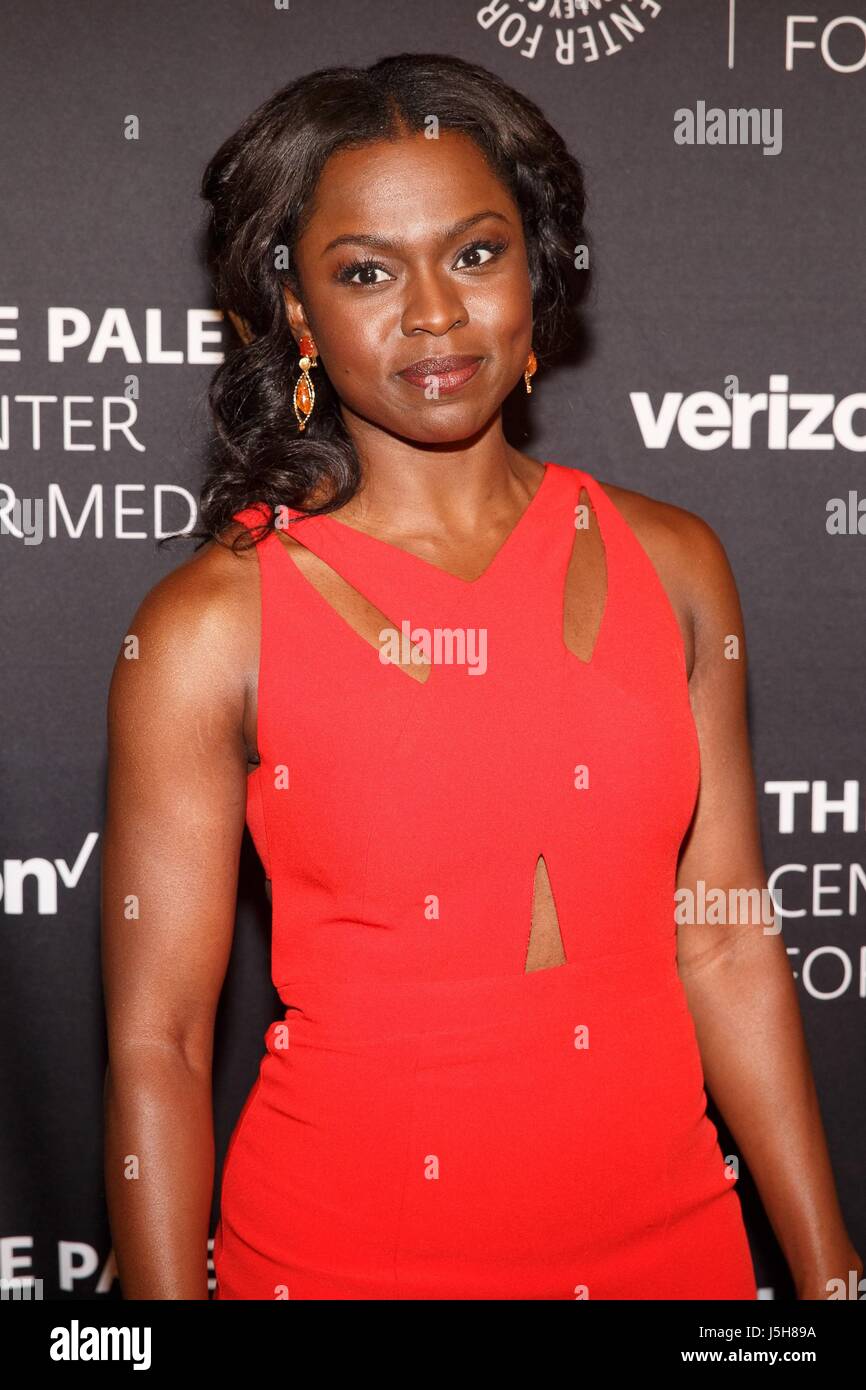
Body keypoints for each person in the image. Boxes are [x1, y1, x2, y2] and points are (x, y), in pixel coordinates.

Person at [101, 52, 861, 1300]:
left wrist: (828, 1277)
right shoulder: (208, 626)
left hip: (676, 1258)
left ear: (533, 271)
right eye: (363, 272)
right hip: (346, 1256)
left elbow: (721, 945)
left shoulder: (674, 564)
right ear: (295, 311)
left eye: (472, 252)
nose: (435, 315)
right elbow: (161, 1042)